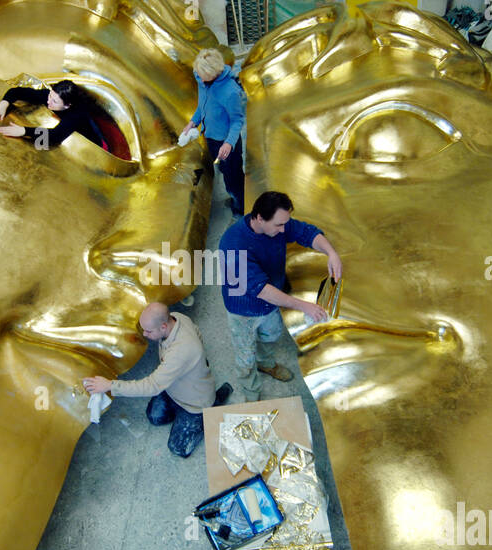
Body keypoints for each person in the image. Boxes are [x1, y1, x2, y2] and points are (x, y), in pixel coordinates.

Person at [218, 191, 341, 403]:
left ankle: (265, 363)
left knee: (271, 334)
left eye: (285, 224)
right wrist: (304, 306)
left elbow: (307, 232)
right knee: (245, 356)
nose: (284, 230)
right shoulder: (232, 245)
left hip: (270, 303)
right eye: (279, 225)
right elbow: (262, 290)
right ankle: (251, 391)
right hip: (243, 309)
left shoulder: (278, 225)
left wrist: (332, 253)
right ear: (259, 218)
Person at [83, 302, 232, 458]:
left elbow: (152, 386)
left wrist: (110, 386)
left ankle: (209, 410)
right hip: (173, 388)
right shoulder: (177, 318)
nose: (145, 335)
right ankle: (195, 407)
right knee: (154, 417)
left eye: (148, 331)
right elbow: (198, 333)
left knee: (178, 448)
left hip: (194, 403)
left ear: (163, 327)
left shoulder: (181, 351)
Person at [182, 49, 246, 216]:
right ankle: (233, 194)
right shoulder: (202, 79)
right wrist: (192, 123)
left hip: (226, 143)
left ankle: (239, 207)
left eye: (203, 76)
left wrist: (229, 143)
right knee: (224, 171)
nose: (200, 79)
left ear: (214, 73)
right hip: (211, 137)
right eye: (199, 74)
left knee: (233, 177)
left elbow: (237, 121)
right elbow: (202, 105)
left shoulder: (230, 91)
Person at [0, 80, 108, 150]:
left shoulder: (76, 115)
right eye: (50, 96)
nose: (49, 101)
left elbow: (55, 136)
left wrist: (22, 131)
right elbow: (17, 91)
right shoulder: (50, 96)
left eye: (54, 101)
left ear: (67, 105)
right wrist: (3, 104)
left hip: (93, 142)